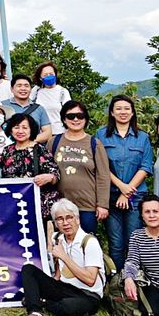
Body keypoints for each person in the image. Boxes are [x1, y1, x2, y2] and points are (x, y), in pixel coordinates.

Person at [20, 199, 105, 316]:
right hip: (65, 288)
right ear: (56, 223)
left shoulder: (89, 242)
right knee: (28, 269)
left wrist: (64, 257)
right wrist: (55, 278)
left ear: (77, 219)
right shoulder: (58, 238)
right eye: (60, 219)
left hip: (88, 295)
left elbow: (90, 280)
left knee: (68, 309)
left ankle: (43, 302)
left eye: (69, 218)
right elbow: (59, 268)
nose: (65, 223)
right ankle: (34, 312)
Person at [96, 95, 154, 272]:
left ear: (133, 111)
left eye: (127, 108)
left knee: (133, 239)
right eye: (118, 108)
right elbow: (100, 165)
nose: (123, 112)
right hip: (111, 198)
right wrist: (121, 187)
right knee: (116, 243)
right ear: (112, 112)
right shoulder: (101, 135)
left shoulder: (142, 137)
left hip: (136, 198)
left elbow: (146, 166)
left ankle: (134, 279)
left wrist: (127, 192)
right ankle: (117, 281)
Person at [50, 100, 111, 234]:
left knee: (86, 245)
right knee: (61, 245)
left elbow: (103, 176)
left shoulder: (94, 143)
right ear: (64, 119)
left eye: (80, 115)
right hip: (60, 206)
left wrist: (102, 205)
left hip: (87, 206)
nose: (76, 119)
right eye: (71, 116)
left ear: (86, 118)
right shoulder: (54, 142)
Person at [0, 113, 61, 220]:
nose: (20, 131)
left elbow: (55, 174)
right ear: (10, 130)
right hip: (14, 207)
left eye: (25, 127)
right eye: (16, 127)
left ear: (31, 130)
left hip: (40, 207)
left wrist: (49, 177)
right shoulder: (7, 151)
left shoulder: (40, 149)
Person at [2, 74, 51, 143]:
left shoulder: (39, 108)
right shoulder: (2, 106)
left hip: (32, 149)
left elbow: (48, 133)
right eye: (19, 86)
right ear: (12, 89)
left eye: (26, 86)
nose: (23, 88)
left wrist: (27, 142)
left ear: (31, 89)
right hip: (7, 149)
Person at [29, 63, 72, 141]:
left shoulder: (62, 92)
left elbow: (69, 112)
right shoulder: (36, 91)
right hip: (40, 135)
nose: (49, 76)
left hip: (59, 134)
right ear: (40, 78)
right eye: (45, 75)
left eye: (51, 74)